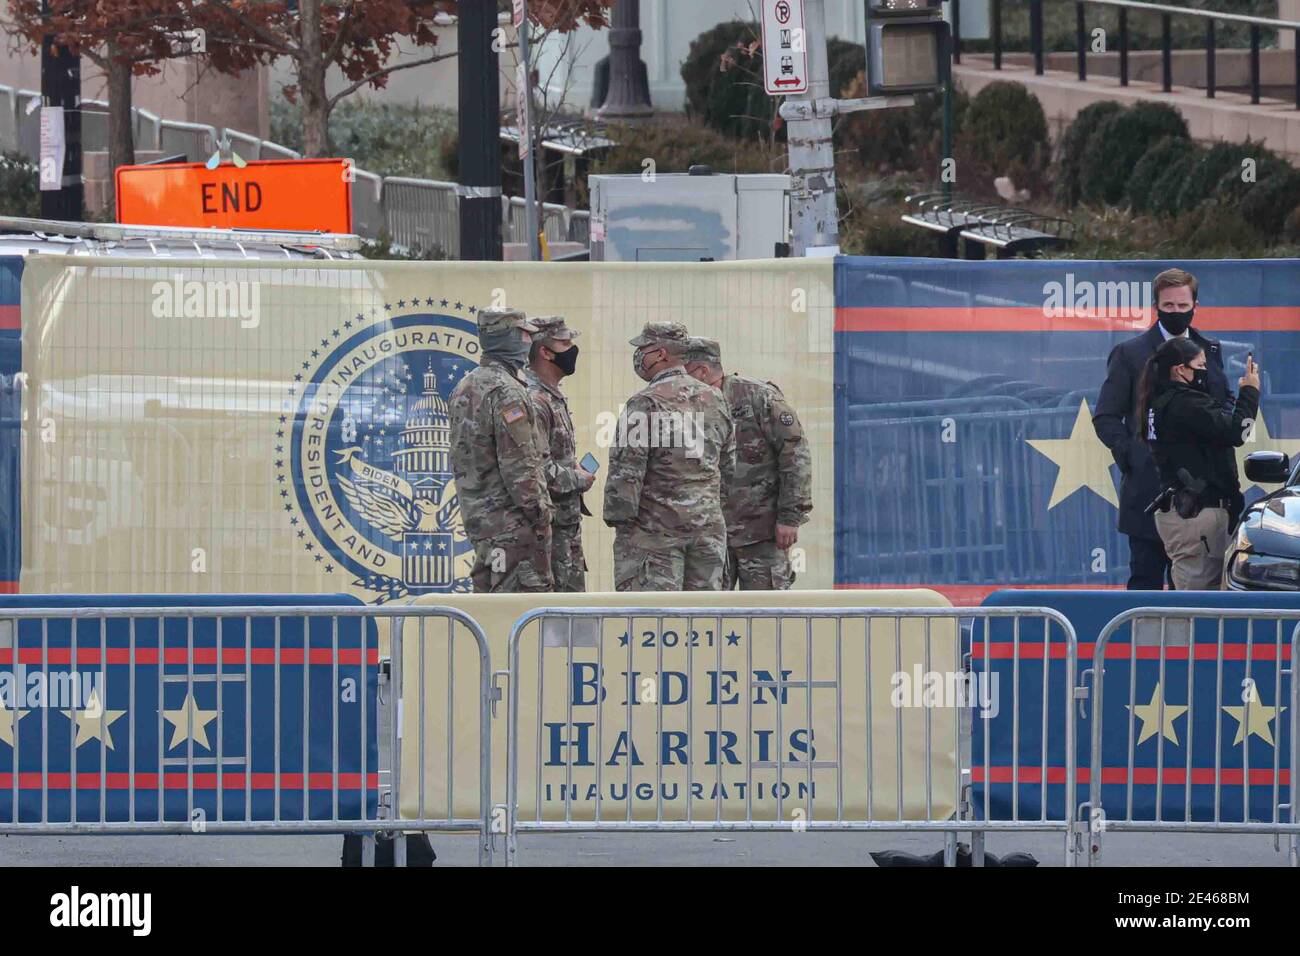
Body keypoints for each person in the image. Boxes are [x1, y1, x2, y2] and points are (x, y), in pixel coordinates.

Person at [1092, 268, 1232, 588]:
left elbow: (1224, 403)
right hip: (1148, 494)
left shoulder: (1210, 350)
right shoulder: (1130, 353)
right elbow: (1106, 416)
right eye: (1168, 306)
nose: (1176, 312)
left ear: (1195, 304)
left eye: (1183, 306)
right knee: (1146, 587)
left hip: (1202, 496)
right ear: (1156, 306)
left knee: (1200, 595)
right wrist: (1132, 454)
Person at [603, 322, 735, 591]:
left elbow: (626, 473)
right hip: (707, 532)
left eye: (643, 349)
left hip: (655, 535)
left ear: (661, 354)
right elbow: (728, 464)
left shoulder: (646, 402)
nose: (639, 356)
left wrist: (621, 524)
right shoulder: (716, 398)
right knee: (702, 623)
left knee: (653, 622)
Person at [682, 336, 812, 589]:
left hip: (761, 533)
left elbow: (795, 455)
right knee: (712, 618)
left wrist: (790, 516)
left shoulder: (758, 397)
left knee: (764, 616)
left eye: (685, 374)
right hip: (711, 536)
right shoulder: (688, 407)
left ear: (703, 371)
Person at [1135, 337, 1260, 590]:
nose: (1205, 372)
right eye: (1201, 365)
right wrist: (1250, 391)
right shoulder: (1185, 403)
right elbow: (1239, 432)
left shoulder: (1159, 402)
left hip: (1185, 514)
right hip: (1197, 517)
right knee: (1199, 604)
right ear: (1181, 369)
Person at [448, 307, 553, 592]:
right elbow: (519, 465)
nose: (529, 342)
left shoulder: (464, 386)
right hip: (513, 528)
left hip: (482, 524)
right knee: (523, 613)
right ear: (509, 338)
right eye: (524, 335)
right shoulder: (507, 391)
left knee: (490, 610)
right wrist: (541, 514)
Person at [524, 315, 595, 592]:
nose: (572, 350)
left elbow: (551, 455)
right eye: (565, 343)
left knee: (571, 620)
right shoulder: (534, 399)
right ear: (545, 351)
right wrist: (580, 479)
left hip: (564, 530)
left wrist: (572, 467)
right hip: (548, 533)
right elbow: (535, 470)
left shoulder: (551, 396)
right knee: (554, 620)